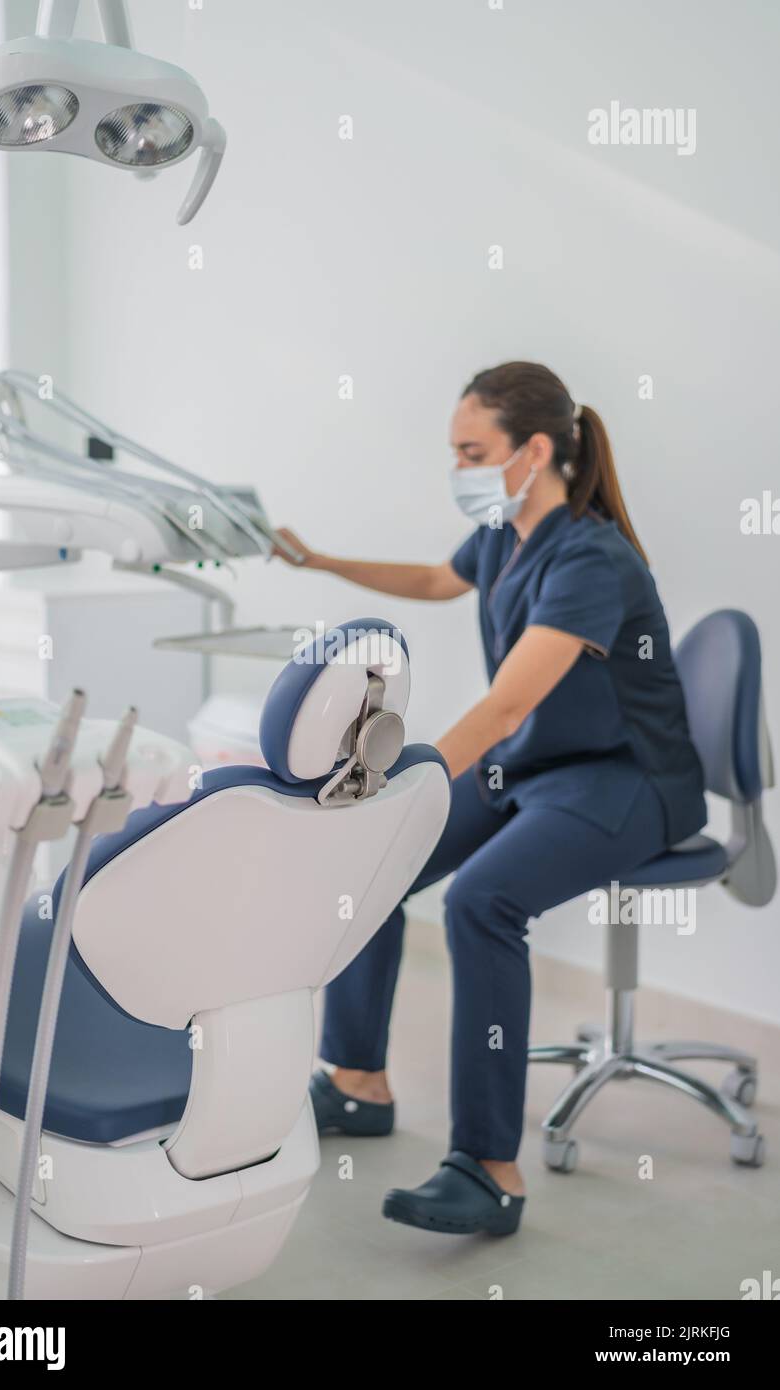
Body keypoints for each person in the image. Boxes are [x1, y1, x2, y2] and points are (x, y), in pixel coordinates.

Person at [273, 361, 706, 1236]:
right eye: (455, 451)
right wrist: (318, 560)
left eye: (474, 451)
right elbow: (438, 580)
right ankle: (357, 1084)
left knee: (481, 900)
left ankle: (489, 1172)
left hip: (628, 780)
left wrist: (405, 774)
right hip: (536, 767)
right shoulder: (507, 532)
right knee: (377, 859)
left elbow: (508, 702)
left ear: (534, 449)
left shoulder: (589, 556)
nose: (461, 468)